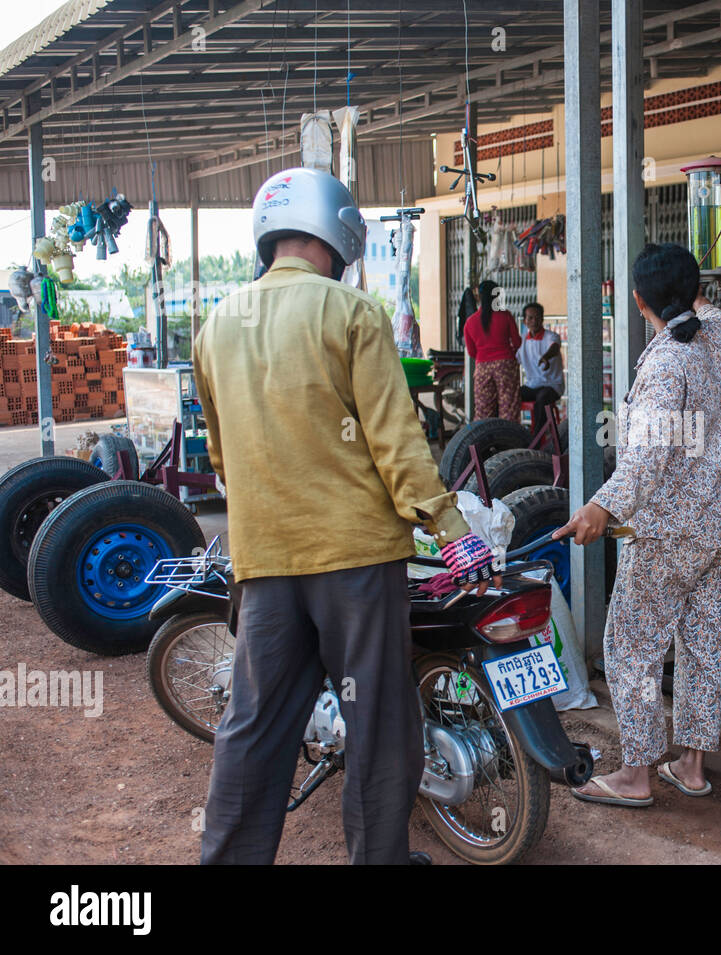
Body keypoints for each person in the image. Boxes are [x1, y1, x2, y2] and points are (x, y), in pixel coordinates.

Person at [192, 167, 497, 865]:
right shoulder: (352, 313)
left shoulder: (215, 327)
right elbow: (396, 441)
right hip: (356, 564)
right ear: (337, 230)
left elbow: (221, 458)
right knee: (379, 727)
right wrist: (452, 532)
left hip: (265, 561)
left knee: (254, 728)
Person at [556, 242, 721, 807]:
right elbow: (716, 316)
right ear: (695, 291)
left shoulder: (667, 362)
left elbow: (646, 459)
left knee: (631, 646)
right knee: (704, 643)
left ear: (639, 301)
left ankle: (637, 773)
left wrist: (600, 507)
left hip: (672, 532)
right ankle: (691, 766)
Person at [463, 279, 522, 421]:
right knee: (509, 409)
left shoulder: (470, 322)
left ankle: (483, 442)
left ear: (479, 297)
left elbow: (471, 353)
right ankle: (508, 442)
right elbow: (517, 342)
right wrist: (507, 354)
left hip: (482, 368)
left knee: (483, 411)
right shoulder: (505, 315)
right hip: (505, 365)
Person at [516, 301, 564, 435]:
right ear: (525, 321)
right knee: (511, 396)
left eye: (537, 317)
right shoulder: (521, 341)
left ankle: (536, 438)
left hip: (552, 385)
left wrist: (546, 357)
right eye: (530, 318)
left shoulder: (551, 336)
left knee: (542, 399)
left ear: (542, 319)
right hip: (532, 386)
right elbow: (515, 360)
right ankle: (512, 434)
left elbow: (554, 347)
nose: (534, 321)